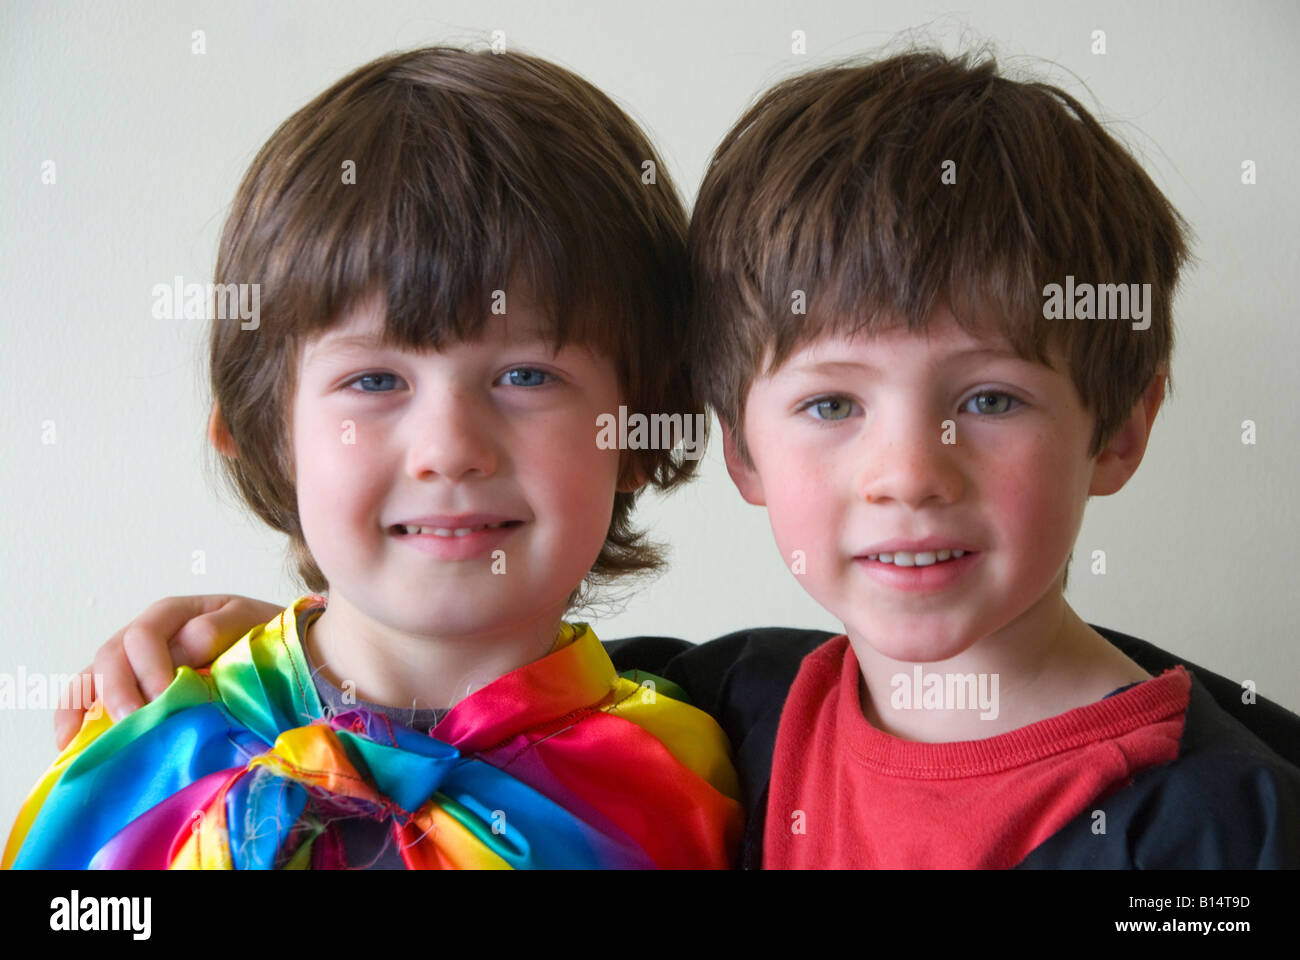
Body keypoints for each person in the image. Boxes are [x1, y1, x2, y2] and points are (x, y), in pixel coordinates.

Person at [43, 49, 1300, 869]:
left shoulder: (1217, 832)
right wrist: (275, 659)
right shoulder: (739, 705)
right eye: (830, 403)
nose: (910, 472)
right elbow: (465, 679)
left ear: (1120, 426)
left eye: (988, 398)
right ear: (734, 440)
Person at [4, 46, 742, 870]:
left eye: (527, 375)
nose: (450, 450)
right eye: (375, 380)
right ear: (264, 435)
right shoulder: (141, 756)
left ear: (639, 429)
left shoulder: (690, 787)